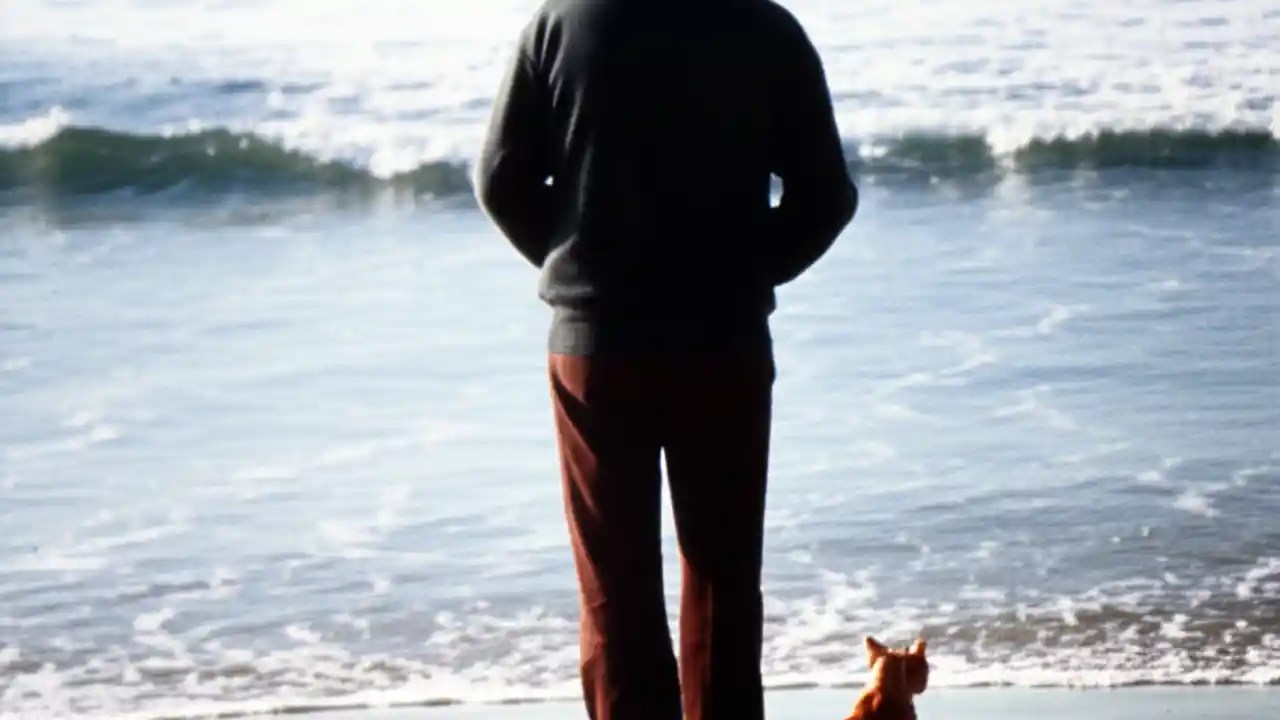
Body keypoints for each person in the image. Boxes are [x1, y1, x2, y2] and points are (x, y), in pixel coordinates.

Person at [474, 0, 855, 717]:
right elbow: (826, 196)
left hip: (597, 350)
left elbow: (499, 180)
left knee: (615, 594)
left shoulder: (560, 24)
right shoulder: (763, 28)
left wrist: (575, 271)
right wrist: (747, 275)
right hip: (723, 344)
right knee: (722, 590)